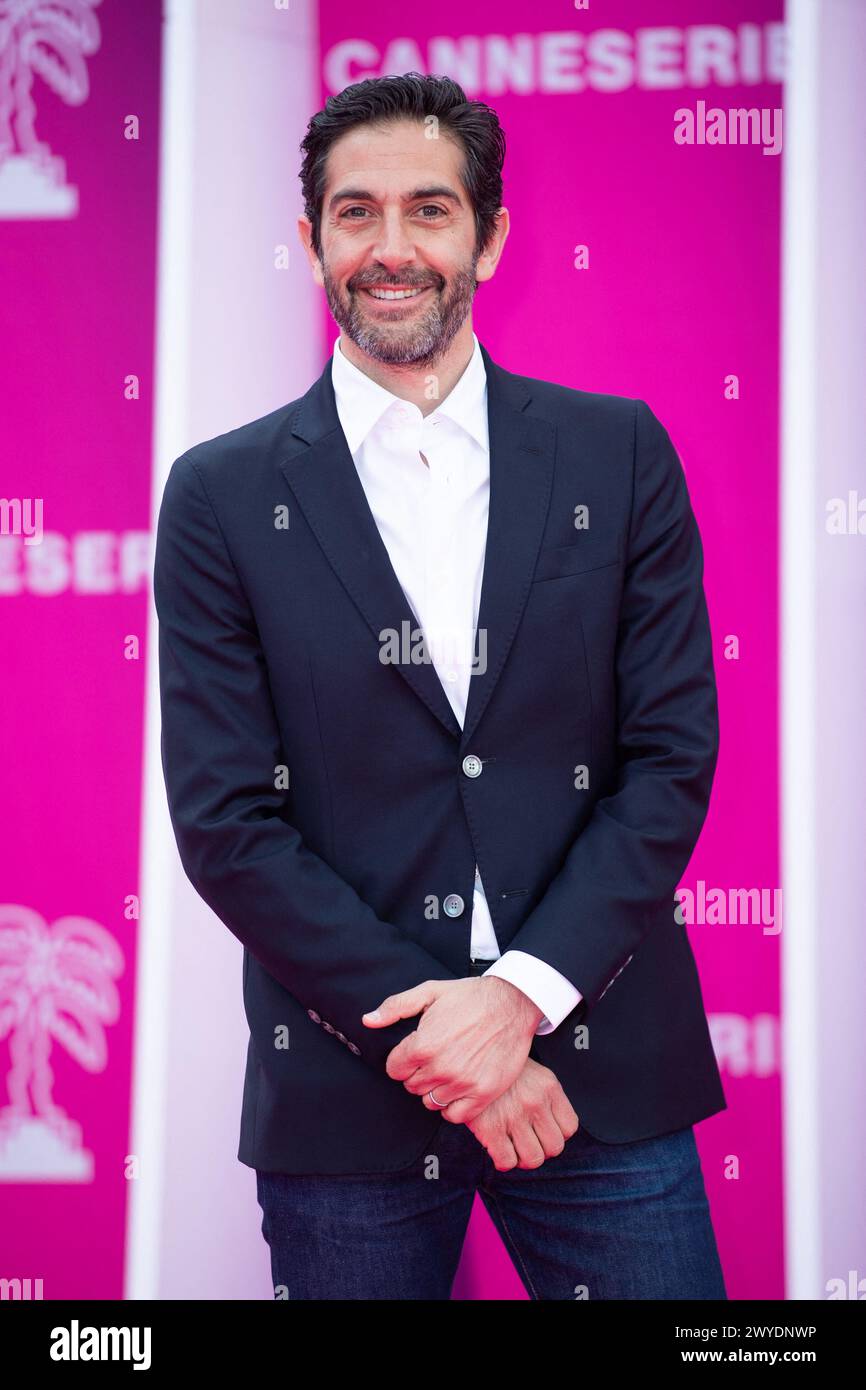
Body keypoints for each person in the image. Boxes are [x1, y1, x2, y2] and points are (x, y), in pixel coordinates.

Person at [154, 72, 727, 1301]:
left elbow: (668, 760)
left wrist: (516, 1000)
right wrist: (447, 1042)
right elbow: (226, 821)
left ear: (489, 235)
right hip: (347, 1094)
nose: (392, 247)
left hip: (597, 1072)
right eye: (355, 213)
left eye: (429, 208)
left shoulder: (615, 452)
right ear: (309, 242)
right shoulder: (217, 495)